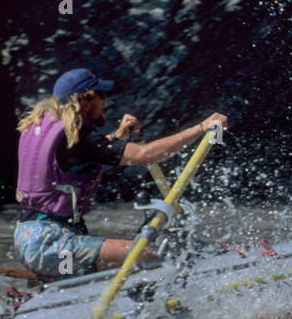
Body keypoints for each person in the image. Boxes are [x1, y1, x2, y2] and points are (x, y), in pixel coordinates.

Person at [15, 67, 227, 277]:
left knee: (92, 273)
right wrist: (201, 128)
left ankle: (63, 284)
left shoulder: (50, 128)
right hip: (53, 246)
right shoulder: (79, 135)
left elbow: (87, 153)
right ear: (84, 101)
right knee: (149, 255)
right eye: (101, 95)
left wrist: (116, 138)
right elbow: (144, 155)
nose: (106, 100)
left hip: (32, 239)